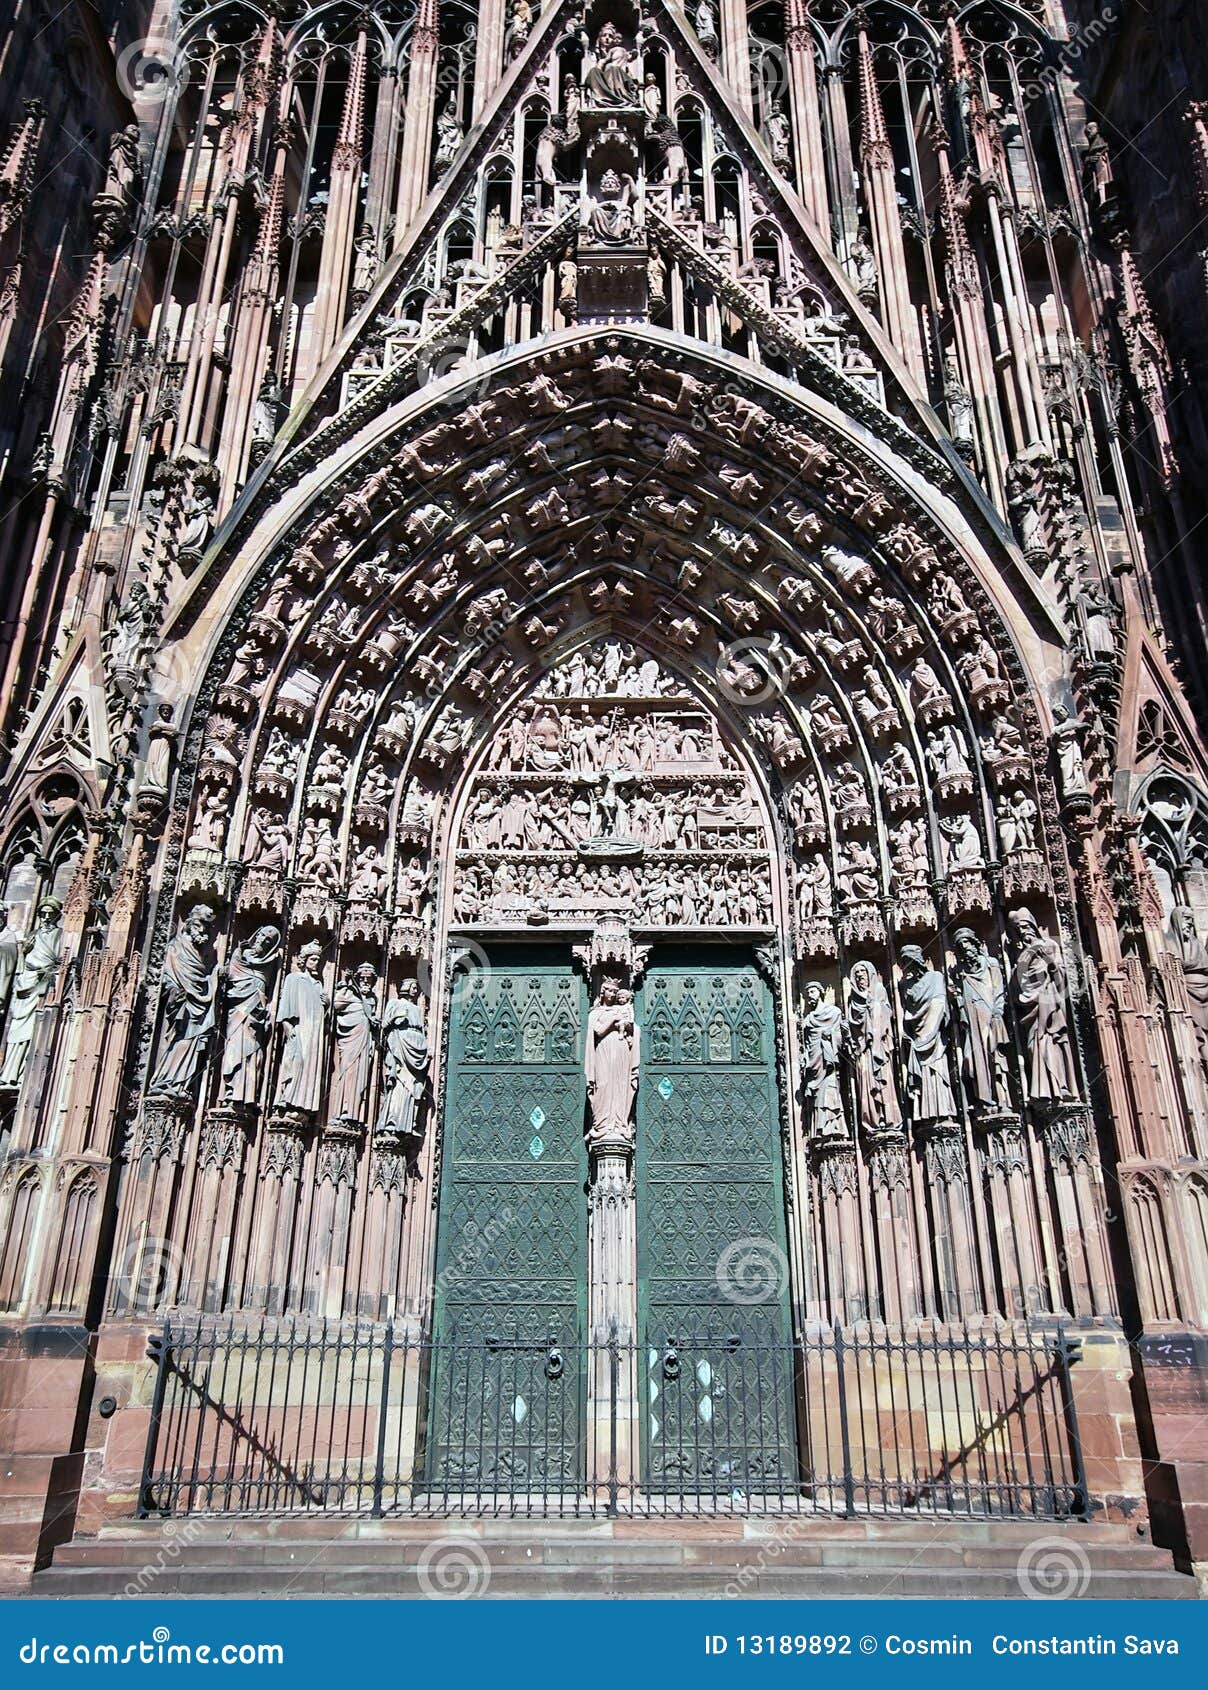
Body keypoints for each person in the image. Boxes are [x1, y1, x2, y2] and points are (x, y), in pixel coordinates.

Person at [147, 903, 218, 1102]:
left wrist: (214, 978)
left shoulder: (205, 953)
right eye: (198, 924)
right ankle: (166, 1081)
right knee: (180, 1039)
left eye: (206, 926)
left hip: (200, 1005)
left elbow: (205, 977)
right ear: (188, 923)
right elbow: (168, 976)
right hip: (181, 1005)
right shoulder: (175, 947)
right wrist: (173, 992)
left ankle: (180, 1084)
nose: (202, 929)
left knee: (192, 1043)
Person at [584, 979, 639, 1147]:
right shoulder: (596, 1013)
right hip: (603, 1051)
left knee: (621, 1084)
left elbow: (633, 1029)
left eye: (616, 992)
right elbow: (598, 1030)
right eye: (610, 991)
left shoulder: (623, 1010)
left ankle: (620, 1123)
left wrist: (630, 1027)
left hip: (621, 1050)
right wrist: (613, 1020)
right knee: (604, 1084)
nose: (613, 995)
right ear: (602, 992)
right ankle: (602, 1125)